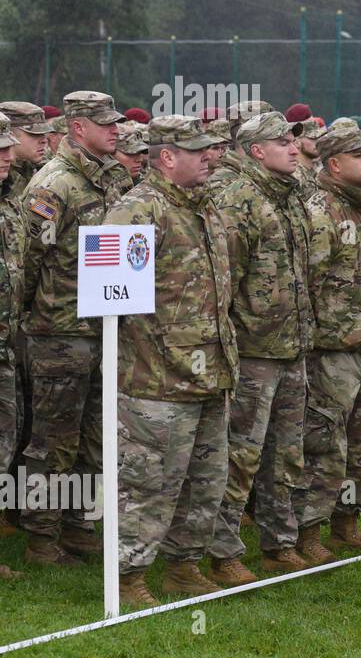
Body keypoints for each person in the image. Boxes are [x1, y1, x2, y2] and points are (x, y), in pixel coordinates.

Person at [103, 115, 233, 606]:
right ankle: (129, 575)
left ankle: (184, 566)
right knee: (148, 482)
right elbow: (109, 302)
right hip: (156, 379)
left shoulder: (204, 206)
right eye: (198, 152)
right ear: (167, 158)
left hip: (210, 371)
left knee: (205, 479)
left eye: (210, 151)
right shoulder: (137, 210)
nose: (209, 158)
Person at [19, 91, 127, 566]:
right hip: (60, 332)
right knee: (53, 438)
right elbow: (26, 260)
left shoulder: (112, 178)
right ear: (77, 127)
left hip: (106, 326)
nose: (115, 131)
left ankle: (82, 523)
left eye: (116, 122)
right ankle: (42, 535)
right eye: (105, 124)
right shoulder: (53, 185)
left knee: (98, 434)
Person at [207, 111, 314, 583]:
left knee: (286, 453)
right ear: (256, 151)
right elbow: (220, 284)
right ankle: (223, 551)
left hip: (290, 345)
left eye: (294, 141)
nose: (294, 148)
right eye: (282, 143)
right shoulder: (237, 200)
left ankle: (279, 544)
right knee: (239, 455)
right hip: (252, 351)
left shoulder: (287, 196)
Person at [298, 123, 361, 559]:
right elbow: (307, 287)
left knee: (360, 441)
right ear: (334, 164)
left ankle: (346, 521)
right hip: (330, 351)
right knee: (323, 444)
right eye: (360, 155)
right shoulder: (322, 213)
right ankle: (309, 532)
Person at [0, 114, 25, 575]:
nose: (6, 156)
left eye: (8, 146)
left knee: (4, 447)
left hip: (6, 347)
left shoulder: (9, 204)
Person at [0, 101, 54, 195]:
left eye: (44, 133)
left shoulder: (40, 169)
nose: (44, 140)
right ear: (11, 135)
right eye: (34, 134)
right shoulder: (5, 176)